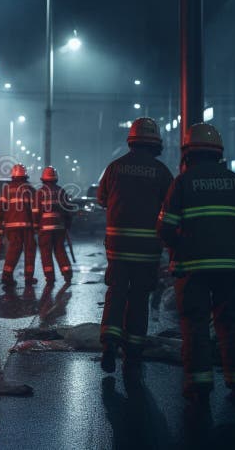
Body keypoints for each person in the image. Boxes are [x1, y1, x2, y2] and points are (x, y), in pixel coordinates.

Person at [157, 123, 235, 404]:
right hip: (229, 267)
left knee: (195, 323)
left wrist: (178, 248)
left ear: (188, 153)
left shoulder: (182, 183)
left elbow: (165, 227)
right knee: (230, 322)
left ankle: (199, 384)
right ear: (218, 153)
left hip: (192, 268)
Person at [97, 117, 173, 374]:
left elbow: (102, 199)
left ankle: (109, 343)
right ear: (155, 143)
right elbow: (172, 207)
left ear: (131, 140)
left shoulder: (115, 167)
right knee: (139, 297)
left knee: (116, 291)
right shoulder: (162, 172)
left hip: (117, 245)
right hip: (147, 248)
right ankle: (134, 351)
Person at [0, 164, 37, 286]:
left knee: (13, 250)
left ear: (13, 175)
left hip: (12, 226)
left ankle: (6, 276)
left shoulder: (6, 189)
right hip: (27, 226)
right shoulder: (30, 189)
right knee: (30, 251)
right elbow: (35, 209)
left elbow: (1, 208)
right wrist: (37, 224)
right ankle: (28, 278)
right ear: (25, 175)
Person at [35, 166, 74, 284]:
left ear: (43, 178)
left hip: (45, 229)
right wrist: (67, 225)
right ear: (56, 178)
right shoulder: (62, 191)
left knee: (46, 253)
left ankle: (50, 277)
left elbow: (36, 212)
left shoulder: (39, 193)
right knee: (60, 250)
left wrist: (36, 226)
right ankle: (67, 274)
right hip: (59, 228)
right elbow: (68, 211)